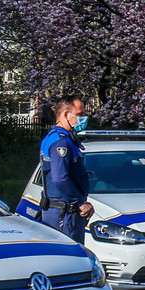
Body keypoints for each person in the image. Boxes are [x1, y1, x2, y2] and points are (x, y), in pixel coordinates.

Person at [37, 95, 93, 242]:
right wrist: (80, 203)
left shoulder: (58, 137)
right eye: (80, 114)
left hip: (62, 211)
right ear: (66, 114)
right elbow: (60, 178)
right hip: (64, 214)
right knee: (69, 258)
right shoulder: (61, 142)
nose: (83, 118)